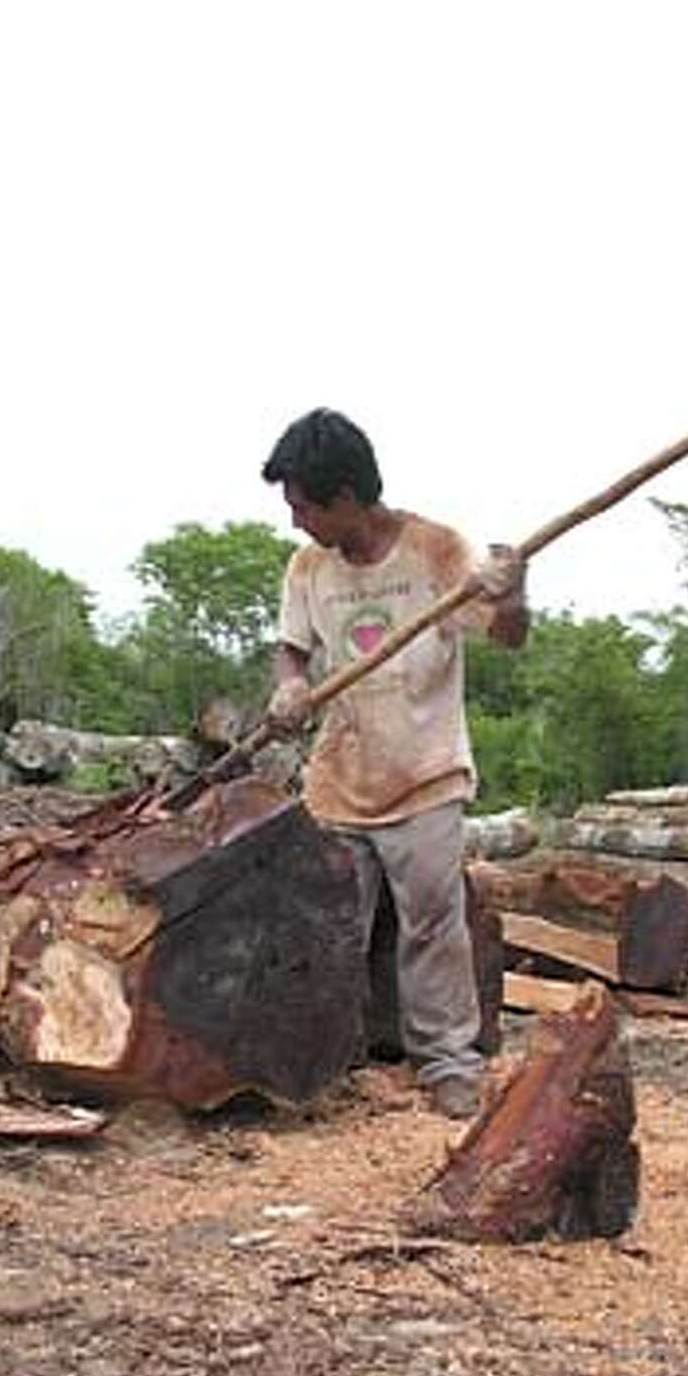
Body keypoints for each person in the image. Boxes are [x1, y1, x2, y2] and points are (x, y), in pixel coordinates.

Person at [261, 407, 529, 1118]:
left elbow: (507, 636)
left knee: (434, 926)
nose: (296, 522)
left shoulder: (435, 552)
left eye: (303, 506)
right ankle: (326, 1056)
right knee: (328, 926)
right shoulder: (308, 564)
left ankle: (446, 1061)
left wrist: (512, 592)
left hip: (425, 775)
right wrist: (289, 685)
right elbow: (292, 644)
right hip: (340, 779)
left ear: (345, 497)